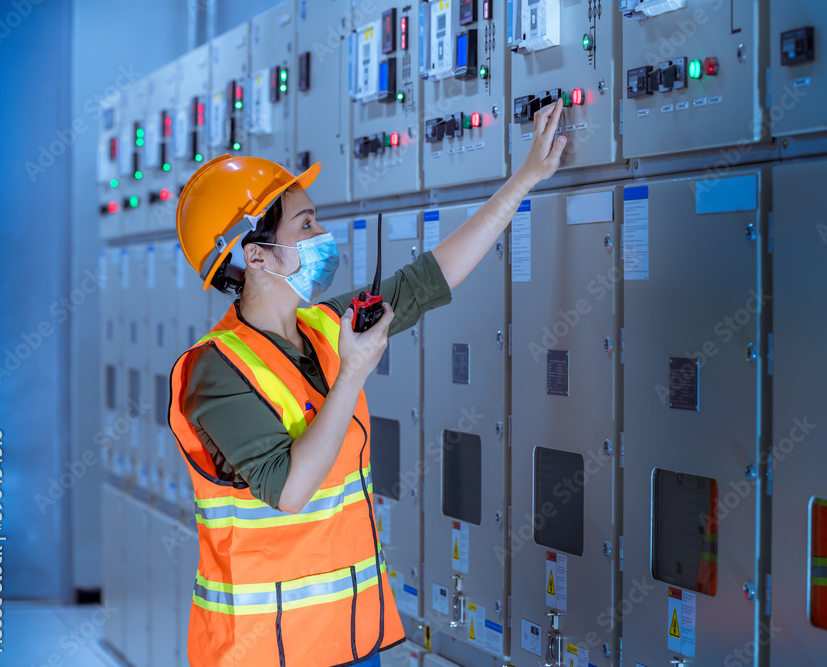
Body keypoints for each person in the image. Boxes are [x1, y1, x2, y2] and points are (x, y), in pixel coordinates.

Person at [168, 101, 567, 667]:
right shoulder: (214, 370)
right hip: (265, 654)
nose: (322, 234)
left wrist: (525, 178)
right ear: (255, 256)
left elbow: (431, 278)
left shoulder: (325, 326)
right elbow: (289, 489)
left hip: (351, 640)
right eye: (305, 224)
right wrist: (353, 372)